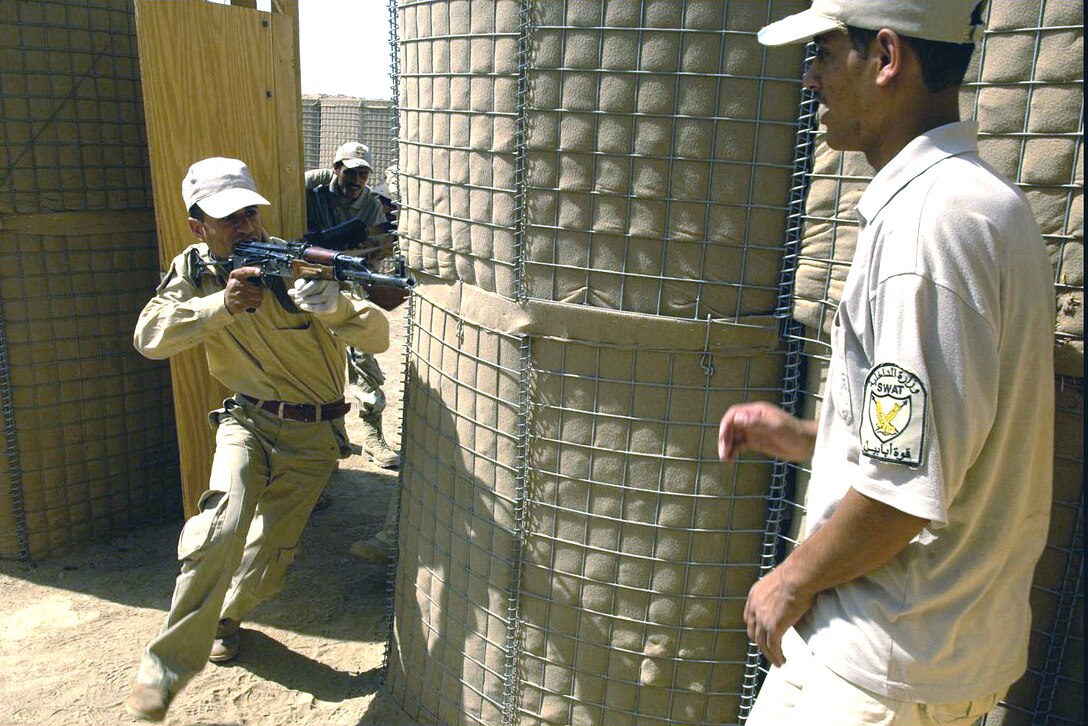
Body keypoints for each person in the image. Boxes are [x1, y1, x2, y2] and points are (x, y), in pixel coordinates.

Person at [719, 1, 1054, 724]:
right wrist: (813, 439)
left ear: (888, 57)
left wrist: (788, 581)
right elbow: (950, 443)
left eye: (824, 53)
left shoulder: (927, 230)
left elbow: (903, 491)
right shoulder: (989, 207)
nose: (810, 78)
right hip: (928, 654)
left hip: (877, 667)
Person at [125, 157, 389, 722]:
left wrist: (337, 306)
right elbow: (149, 337)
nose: (245, 226)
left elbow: (380, 334)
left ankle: (228, 616)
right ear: (199, 227)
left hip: (315, 432)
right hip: (246, 422)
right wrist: (219, 305)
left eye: (249, 212)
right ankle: (165, 670)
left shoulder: (299, 265)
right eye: (228, 219)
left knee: (269, 561)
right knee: (217, 528)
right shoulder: (195, 271)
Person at [305, 141, 402, 471]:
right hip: (313, 280)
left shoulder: (371, 205)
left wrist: (371, 247)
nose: (356, 180)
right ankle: (329, 440)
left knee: (362, 354)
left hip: (350, 281)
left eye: (363, 173)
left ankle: (373, 434)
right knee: (317, 358)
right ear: (336, 169)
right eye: (350, 172)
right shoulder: (315, 186)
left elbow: (380, 247)